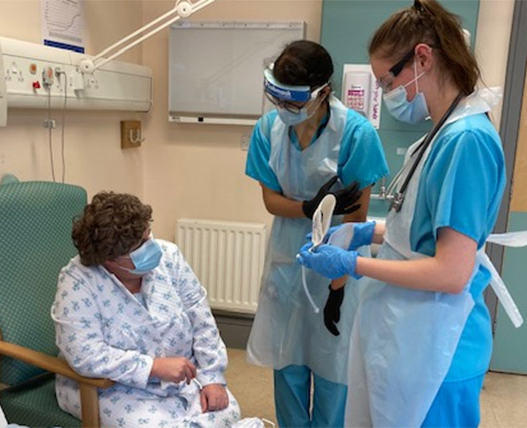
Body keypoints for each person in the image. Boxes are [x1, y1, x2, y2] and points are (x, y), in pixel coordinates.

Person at [297, 1, 523, 426]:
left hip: (438, 346)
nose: (388, 95)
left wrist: (351, 263)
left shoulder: (467, 141)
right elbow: (421, 235)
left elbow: (451, 271)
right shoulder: (437, 137)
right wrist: (367, 232)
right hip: (410, 333)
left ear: (422, 58)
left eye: (388, 81)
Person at [244, 40, 389, 428]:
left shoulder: (356, 134)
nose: (284, 109)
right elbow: (271, 201)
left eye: (293, 101)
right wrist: (309, 209)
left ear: (323, 92)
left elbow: (355, 220)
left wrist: (338, 288)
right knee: (287, 361)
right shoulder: (268, 130)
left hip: (337, 259)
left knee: (333, 366)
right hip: (287, 257)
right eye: (278, 99)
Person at [51, 191, 241, 428]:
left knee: (229, 413)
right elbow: (85, 354)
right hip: (113, 388)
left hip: (183, 379)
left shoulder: (169, 257)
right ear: (109, 259)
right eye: (140, 246)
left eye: (148, 235)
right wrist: (153, 367)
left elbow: (201, 318)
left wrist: (213, 378)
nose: (151, 246)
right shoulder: (78, 282)